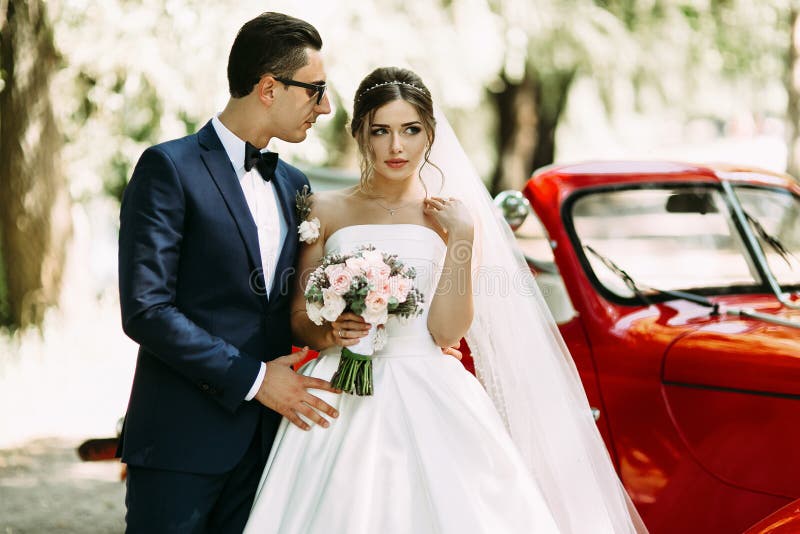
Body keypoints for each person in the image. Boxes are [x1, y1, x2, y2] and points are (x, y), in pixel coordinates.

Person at [243, 67, 648, 533]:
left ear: (429, 135)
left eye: (410, 130)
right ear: (361, 134)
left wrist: (462, 236)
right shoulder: (323, 209)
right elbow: (298, 316)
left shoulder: (454, 215)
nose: (396, 147)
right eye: (381, 131)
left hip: (430, 387)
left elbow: (446, 332)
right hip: (340, 389)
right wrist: (331, 330)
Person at [117, 12, 342, 533]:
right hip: (181, 441)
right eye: (315, 91)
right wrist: (257, 380)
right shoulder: (168, 168)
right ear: (269, 88)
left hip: (270, 446)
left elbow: (292, 306)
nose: (325, 106)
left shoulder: (296, 185)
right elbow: (147, 310)